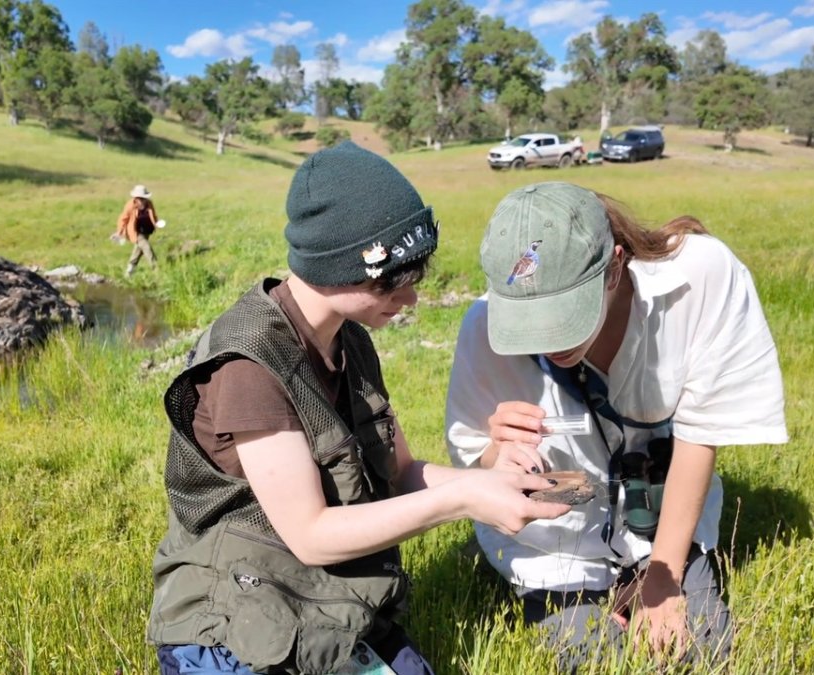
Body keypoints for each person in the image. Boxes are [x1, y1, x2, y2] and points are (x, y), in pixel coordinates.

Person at [149, 143, 571, 675]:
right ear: (342, 266)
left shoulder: (351, 341)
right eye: (397, 280)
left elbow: (401, 473)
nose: (412, 299)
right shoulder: (248, 363)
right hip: (236, 622)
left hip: (324, 597)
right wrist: (463, 500)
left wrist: (491, 479)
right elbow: (311, 534)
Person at [445, 182, 788, 671]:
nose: (547, 339)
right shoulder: (482, 326)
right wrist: (497, 454)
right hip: (558, 549)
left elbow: (699, 432)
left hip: (666, 528)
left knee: (706, 652)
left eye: (564, 316)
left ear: (614, 266)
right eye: (527, 321)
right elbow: (474, 456)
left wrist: (665, 576)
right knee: (595, 660)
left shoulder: (702, 278)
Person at [115, 184, 163, 276]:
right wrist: (119, 232)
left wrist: (157, 222)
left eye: (142, 198)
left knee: (139, 250)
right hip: (135, 231)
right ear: (136, 198)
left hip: (147, 230)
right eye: (139, 198)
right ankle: (156, 269)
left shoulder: (149, 203)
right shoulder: (130, 205)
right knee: (146, 247)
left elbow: (153, 214)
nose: (141, 200)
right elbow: (123, 219)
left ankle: (130, 269)